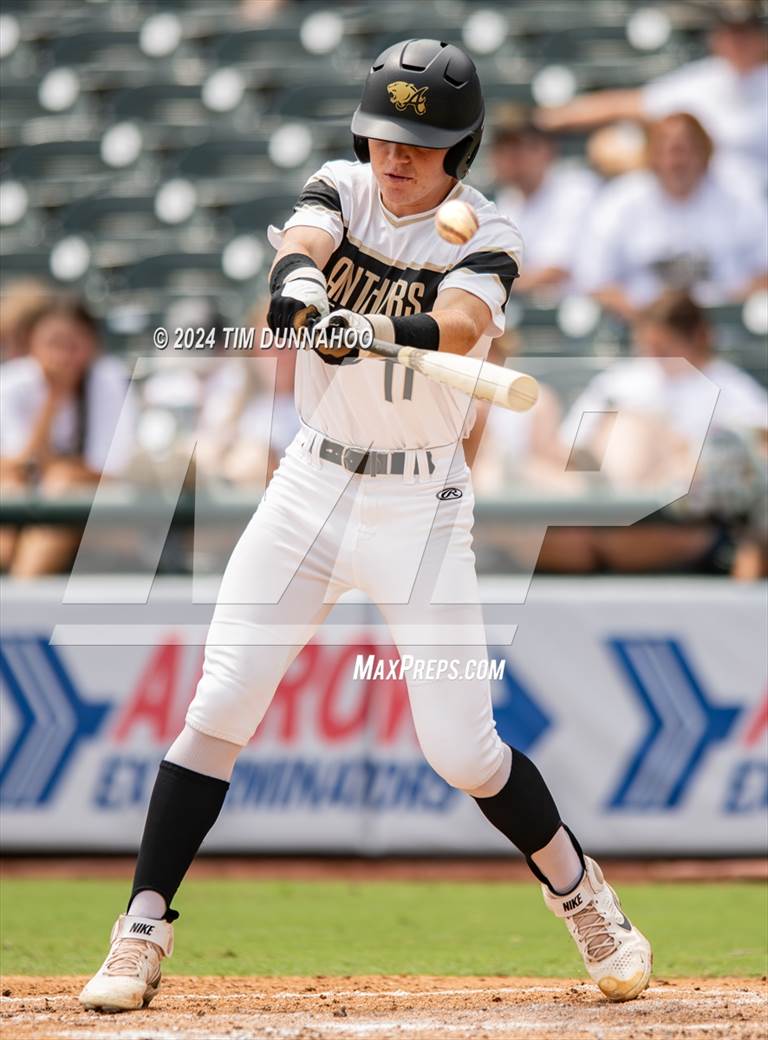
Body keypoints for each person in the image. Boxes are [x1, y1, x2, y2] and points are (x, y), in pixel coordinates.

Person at [79, 40, 651, 1014]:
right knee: (221, 704)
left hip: (418, 504)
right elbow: (299, 253)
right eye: (387, 135)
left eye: (421, 144)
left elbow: (467, 329)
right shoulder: (342, 186)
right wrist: (303, 294)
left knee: (463, 752)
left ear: (459, 150)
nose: (397, 157)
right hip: (309, 485)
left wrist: (382, 329)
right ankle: (142, 922)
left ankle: (580, 888)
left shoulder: (492, 230)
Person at [546, 291, 768, 574]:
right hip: (603, 498)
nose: (655, 358)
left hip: (686, 512)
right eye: (648, 347)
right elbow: (570, 447)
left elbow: (755, 451)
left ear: (696, 337)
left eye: (664, 347)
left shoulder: (732, 388)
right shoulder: (620, 381)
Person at [536, 0, 768, 198]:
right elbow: (625, 105)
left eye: (747, 31)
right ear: (717, 36)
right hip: (702, 208)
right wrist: (548, 119)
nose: (739, 41)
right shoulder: (705, 81)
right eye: (731, 31)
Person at [576, 113, 767, 320]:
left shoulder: (740, 198)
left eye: (686, 151)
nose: (676, 162)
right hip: (638, 327)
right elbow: (594, 281)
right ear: (651, 155)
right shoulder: (619, 202)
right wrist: (647, 320)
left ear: (705, 153)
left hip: (725, 327)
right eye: (667, 151)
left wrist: (723, 311)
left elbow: (763, 272)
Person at [0, 295, 135, 577]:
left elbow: (110, 469)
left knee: (62, 487)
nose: (62, 357)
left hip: (90, 512)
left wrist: (57, 475)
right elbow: (14, 466)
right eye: (52, 344)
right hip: (23, 504)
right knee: (11, 488)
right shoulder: (13, 383)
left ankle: (20, 603)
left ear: (91, 345)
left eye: (72, 345)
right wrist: (52, 401)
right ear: (32, 344)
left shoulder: (108, 379)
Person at [491, 110, 600, 299]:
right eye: (504, 148)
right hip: (538, 306)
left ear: (548, 151)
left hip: (583, 307)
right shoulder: (508, 200)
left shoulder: (576, 189)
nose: (512, 158)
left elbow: (555, 270)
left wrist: (490, 286)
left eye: (520, 147)